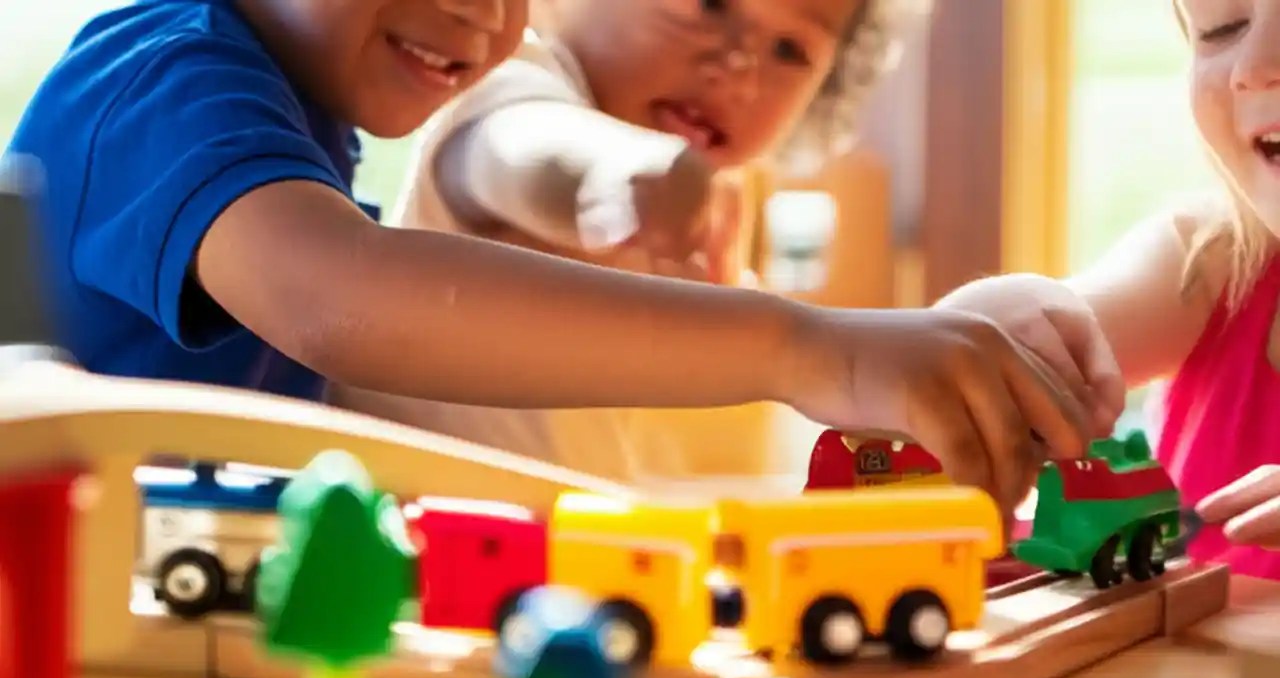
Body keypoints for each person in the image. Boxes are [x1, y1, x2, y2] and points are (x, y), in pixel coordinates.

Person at [2, 0, 1100, 520]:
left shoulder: (297, 122)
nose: (478, 13)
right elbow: (336, 296)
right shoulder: (164, 71)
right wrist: (801, 345)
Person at [330, 0, 945, 481]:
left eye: (790, 49)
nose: (738, 67)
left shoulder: (699, 224)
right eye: (710, 5)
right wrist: (616, 173)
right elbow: (514, 149)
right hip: (411, 549)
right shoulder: (509, 76)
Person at [934, 0, 1280, 576]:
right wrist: (986, 325)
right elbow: (1040, 330)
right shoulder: (1210, 260)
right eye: (1222, 27)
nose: (1256, 65)